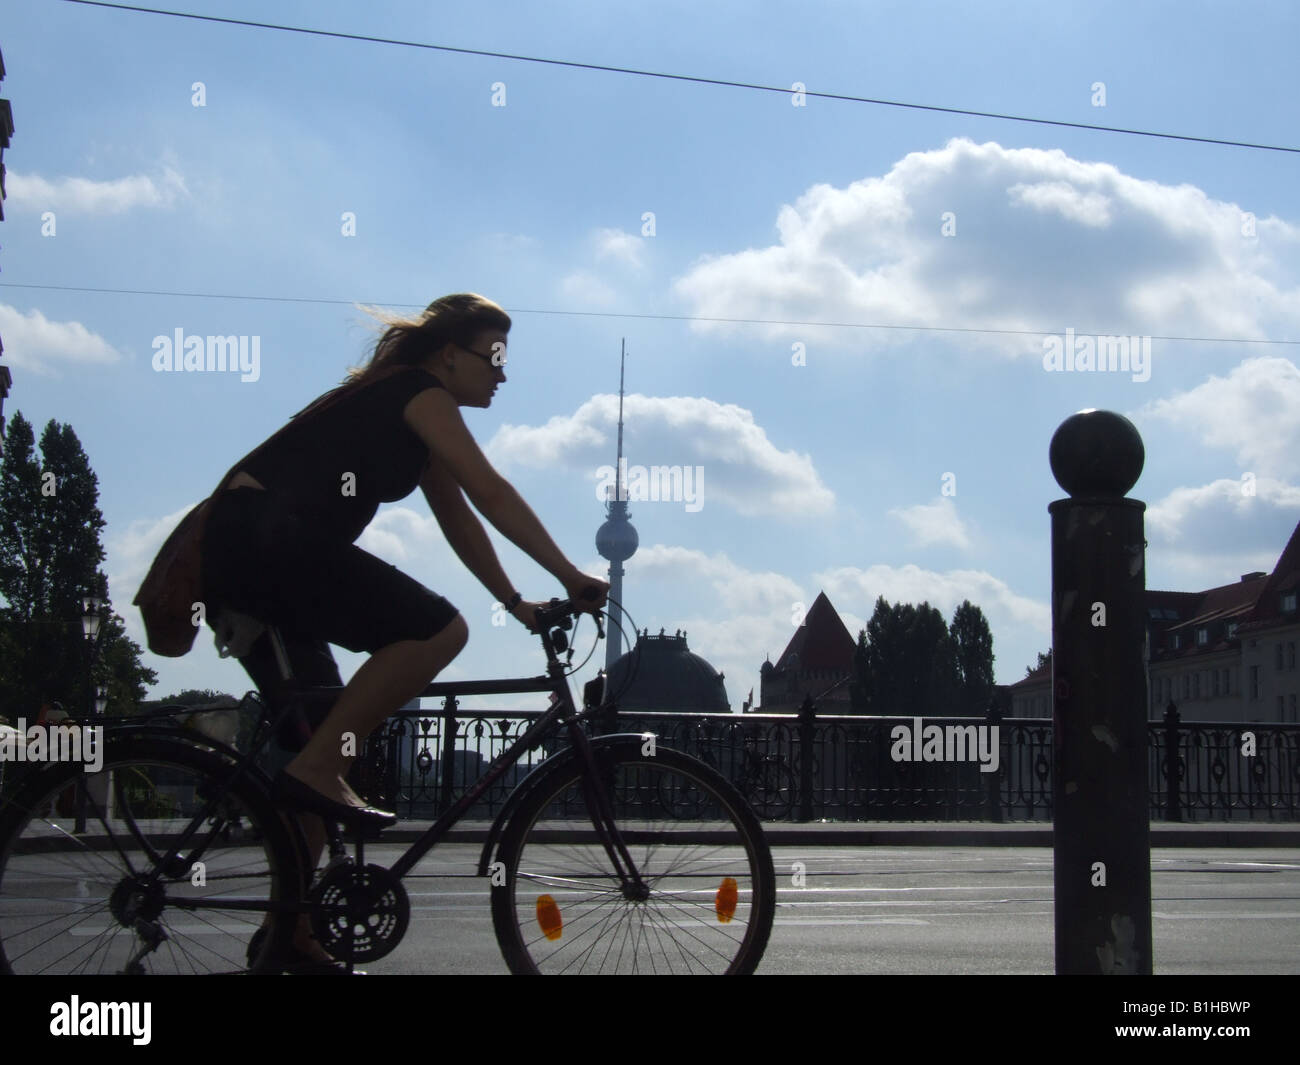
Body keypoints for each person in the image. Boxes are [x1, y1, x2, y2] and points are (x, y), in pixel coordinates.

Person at [198, 293, 609, 970]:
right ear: (449, 355)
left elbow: (461, 520)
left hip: (259, 548)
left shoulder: (410, 410)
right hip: (263, 544)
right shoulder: (421, 394)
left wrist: (518, 602)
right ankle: (315, 772)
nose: (503, 374)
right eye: (496, 356)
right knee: (439, 631)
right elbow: (493, 490)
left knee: (329, 730)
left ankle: (290, 938)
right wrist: (569, 574)